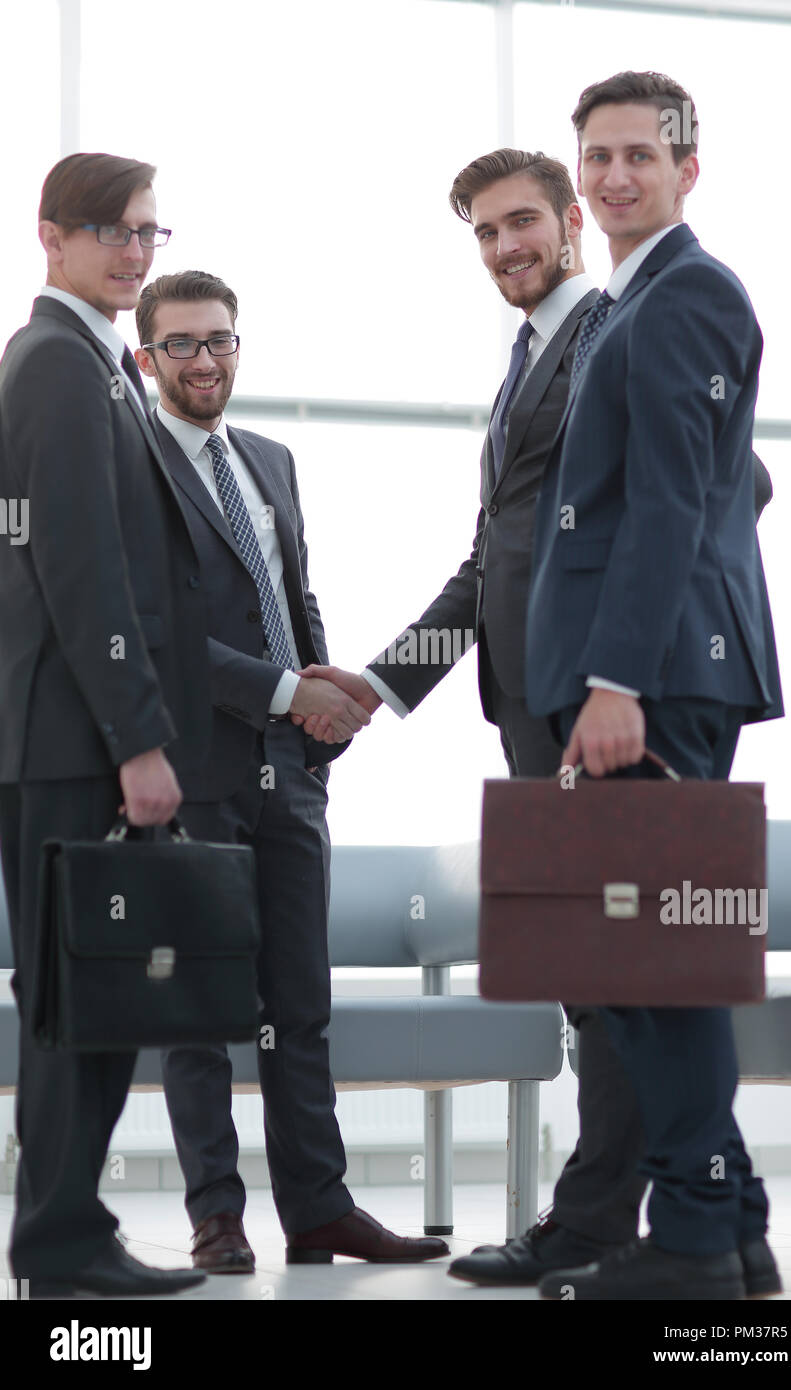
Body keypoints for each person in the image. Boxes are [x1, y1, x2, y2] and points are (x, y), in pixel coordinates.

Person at [292, 149, 774, 1283]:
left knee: (629, 978)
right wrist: (383, 677)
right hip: (535, 702)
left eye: (521, 223)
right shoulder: (526, 363)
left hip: (614, 696)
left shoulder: (623, 323)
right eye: (484, 233)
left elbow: (730, 482)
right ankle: (725, 1222)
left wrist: (625, 662)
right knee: (603, 978)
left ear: (569, 220)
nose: (505, 248)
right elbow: (491, 556)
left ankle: (610, 1222)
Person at [135, 271, 449, 1268]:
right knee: (198, 1004)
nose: (203, 359)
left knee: (297, 1002)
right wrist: (284, 693)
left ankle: (317, 1208)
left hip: (291, 768)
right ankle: (216, 1216)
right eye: (180, 344)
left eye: (218, 340)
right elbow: (159, 633)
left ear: (239, 346)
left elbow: (292, 600)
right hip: (193, 767)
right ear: (147, 359)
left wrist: (325, 716)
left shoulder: (270, 459)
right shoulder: (128, 464)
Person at [527, 71, 782, 1301]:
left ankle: (690, 1242)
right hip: (664, 666)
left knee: (648, 964)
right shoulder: (645, 300)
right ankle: (729, 1226)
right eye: (597, 157)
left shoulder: (686, 293)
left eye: (640, 154)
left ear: (688, 167)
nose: (616, 175)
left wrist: (615, 677)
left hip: (658, 677)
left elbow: (677, 497)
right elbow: (715, 483)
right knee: (652, 958)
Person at [0, 154, 210, 1297]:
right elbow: (80, 570)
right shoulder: (58, 365)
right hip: (70, 743)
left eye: (147, 232)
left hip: (63, 736)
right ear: (52, 237)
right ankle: (62, 1249)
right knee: (80, 997)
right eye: (112, 232)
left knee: (87, 995)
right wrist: (137, 739)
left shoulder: (94, 361)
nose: (135, 252)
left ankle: (69, 1234)